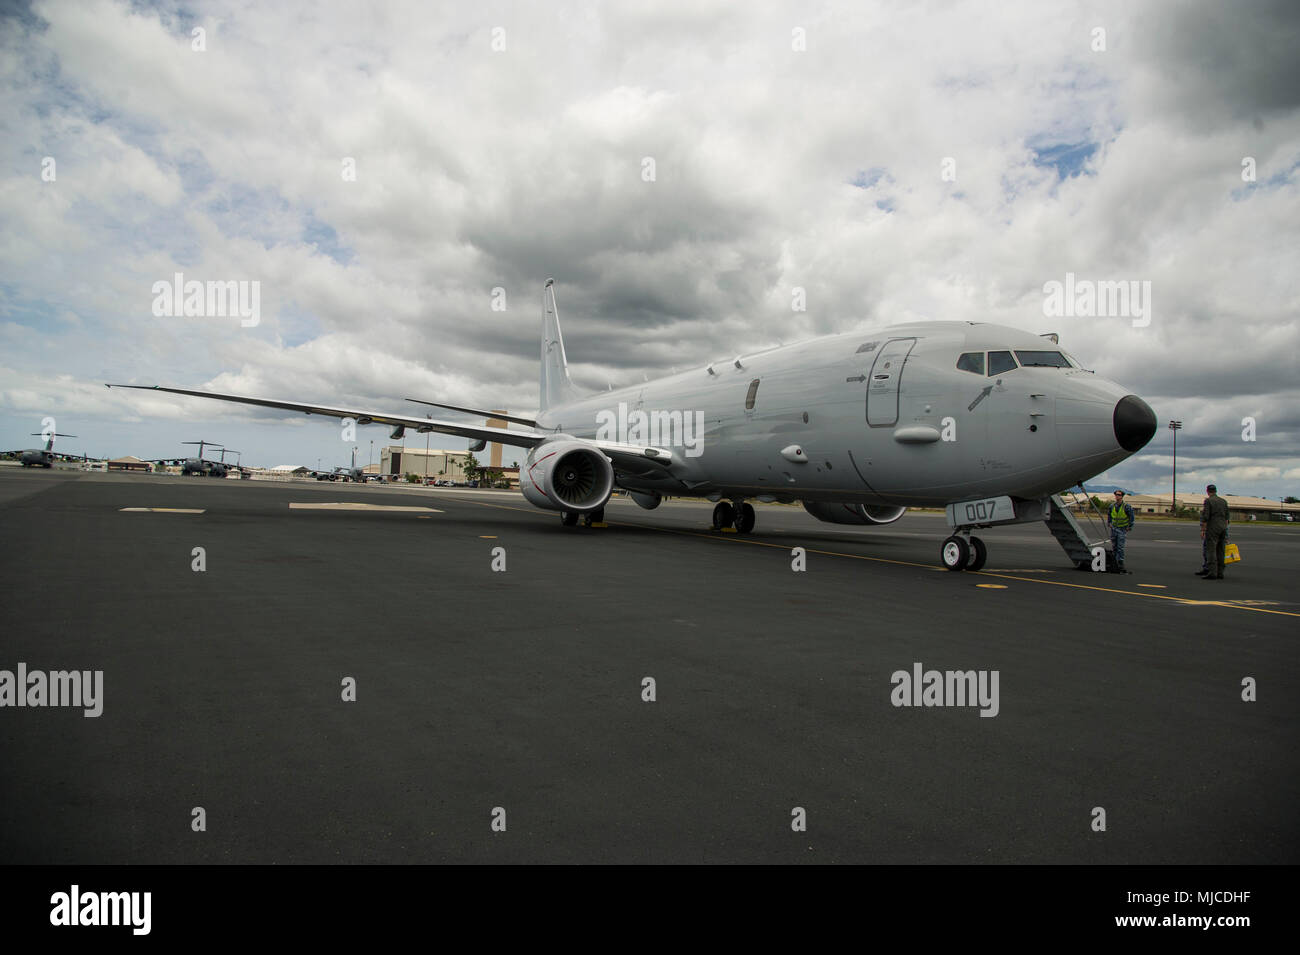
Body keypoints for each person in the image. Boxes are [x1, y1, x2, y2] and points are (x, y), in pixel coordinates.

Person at [1199, 484, 1231, 580]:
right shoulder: (1223, 501)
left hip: (1213, 527)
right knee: (1221, 550)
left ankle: (1212, 572)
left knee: (1211, 549)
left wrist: (1203, 529)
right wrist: (1226, 531)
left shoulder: (1208, 501)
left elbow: (1206, 517)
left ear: (1207, 491)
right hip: (1223, 527)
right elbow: (1227, 517)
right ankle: (1220, 572)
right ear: (1216, 491)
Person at [1106, 489, 1136, 573]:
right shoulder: (1112, 506)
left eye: (1119, 495)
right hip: (1114, 528)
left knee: (1120, 547)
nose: (1117, 496)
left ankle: (1120, 562)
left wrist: (1129, 526)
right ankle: (1115, 562)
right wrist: (1109, 523)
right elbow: (1109, 515)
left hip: (1122, 529)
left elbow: (1131, 517)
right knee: (1114, 546)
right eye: (1116, 494)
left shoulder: (1126, 506)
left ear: (1122, 496)